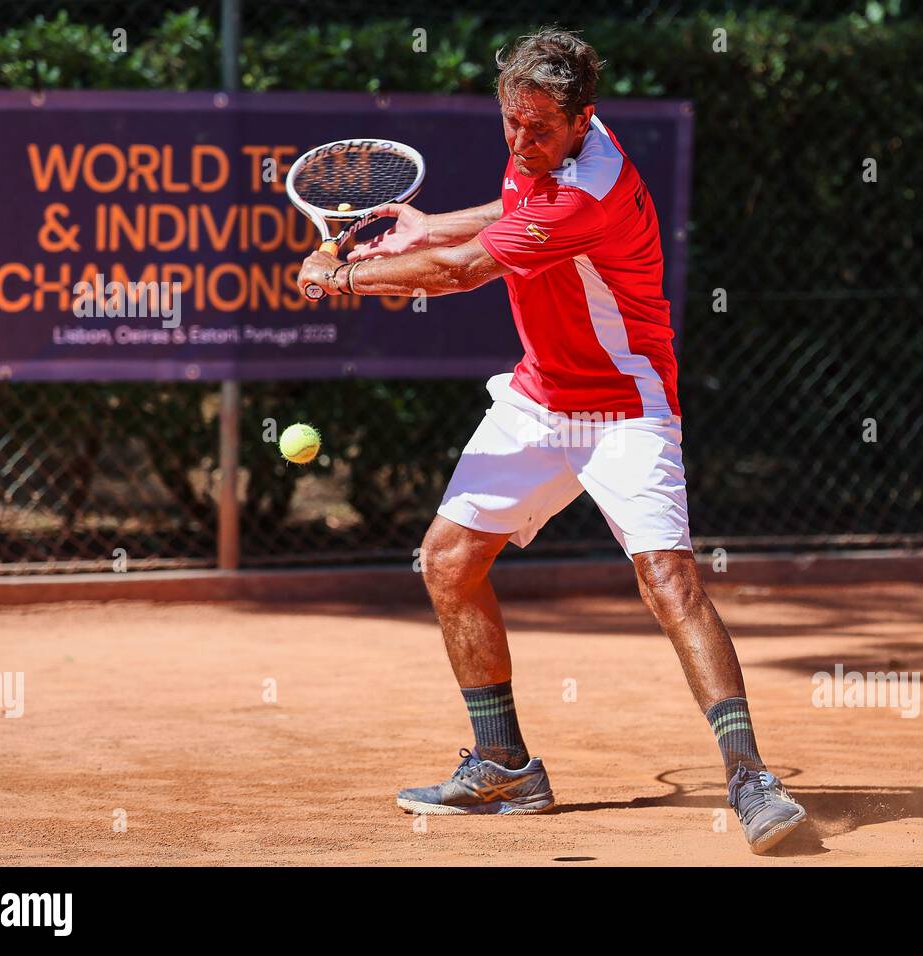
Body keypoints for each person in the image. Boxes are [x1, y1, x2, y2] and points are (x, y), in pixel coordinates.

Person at [296, 28, 805, 854]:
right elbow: (501, 210)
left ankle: (750, 778)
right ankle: (503, 763)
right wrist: (426, 226)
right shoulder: (540, 152)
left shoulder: (588, 193)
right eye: (511, 124)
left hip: (626, 406)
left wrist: (344, 276)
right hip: (539, 396)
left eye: (540, 130)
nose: (522, 142)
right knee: (448, 562)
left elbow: (462, 275)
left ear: (583, 122)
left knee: (669, 578)